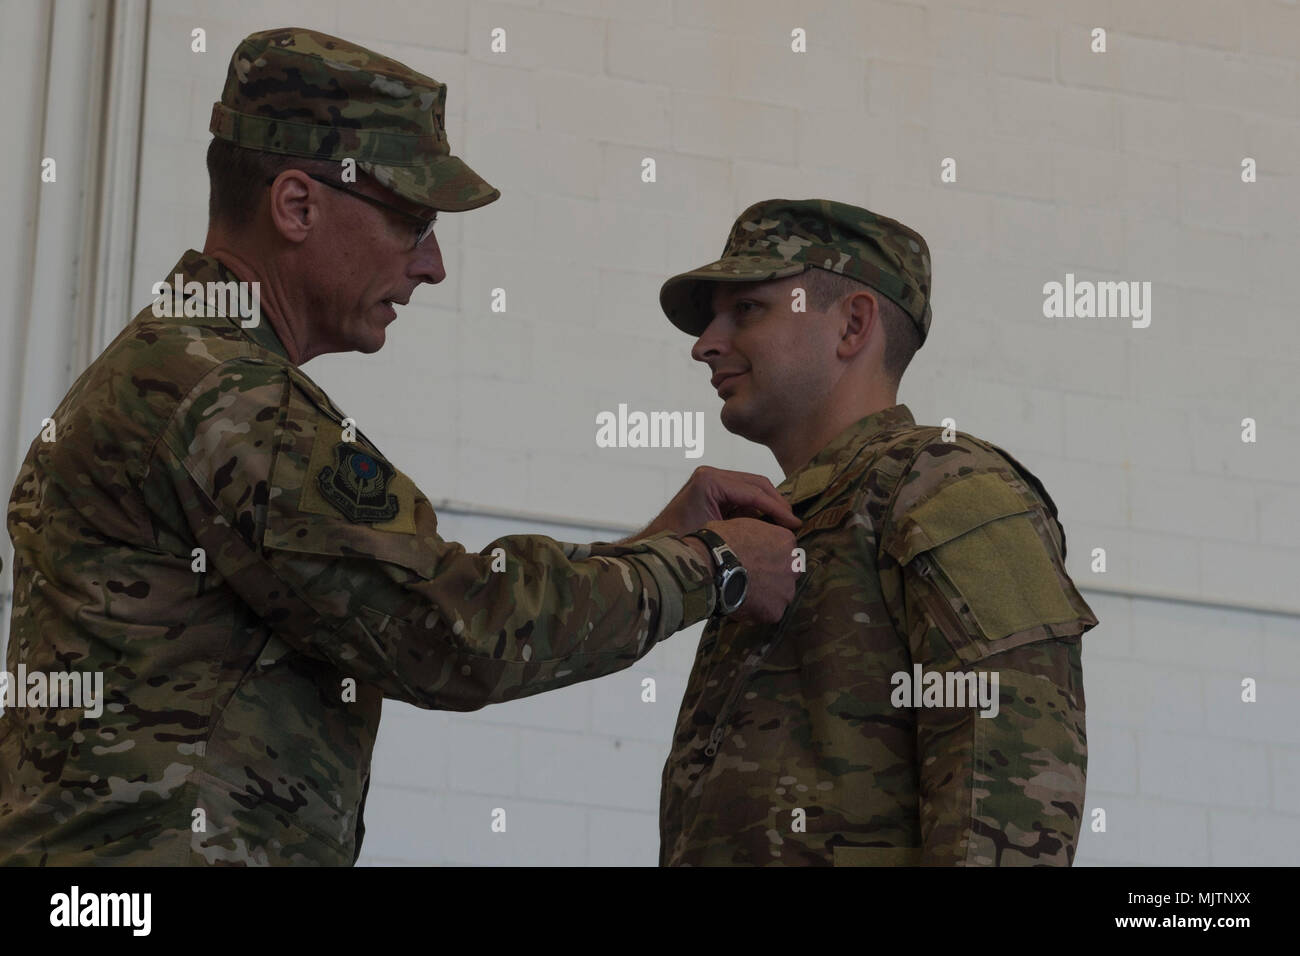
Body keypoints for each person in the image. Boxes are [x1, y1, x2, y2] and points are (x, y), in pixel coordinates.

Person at [0, 28, 797, 866]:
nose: (434, 265)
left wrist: (654, 547)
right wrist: (713, 567)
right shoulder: (230, 401)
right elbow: (455, 631)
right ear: (296, 206)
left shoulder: (176, 372)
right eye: (412, 222)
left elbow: (406, 605)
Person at [655, 199, 1099, 866]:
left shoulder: (948, 488)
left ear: (852, 325)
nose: (706, 344)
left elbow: (1011, 795)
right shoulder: (778, 523)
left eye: (747, 310)